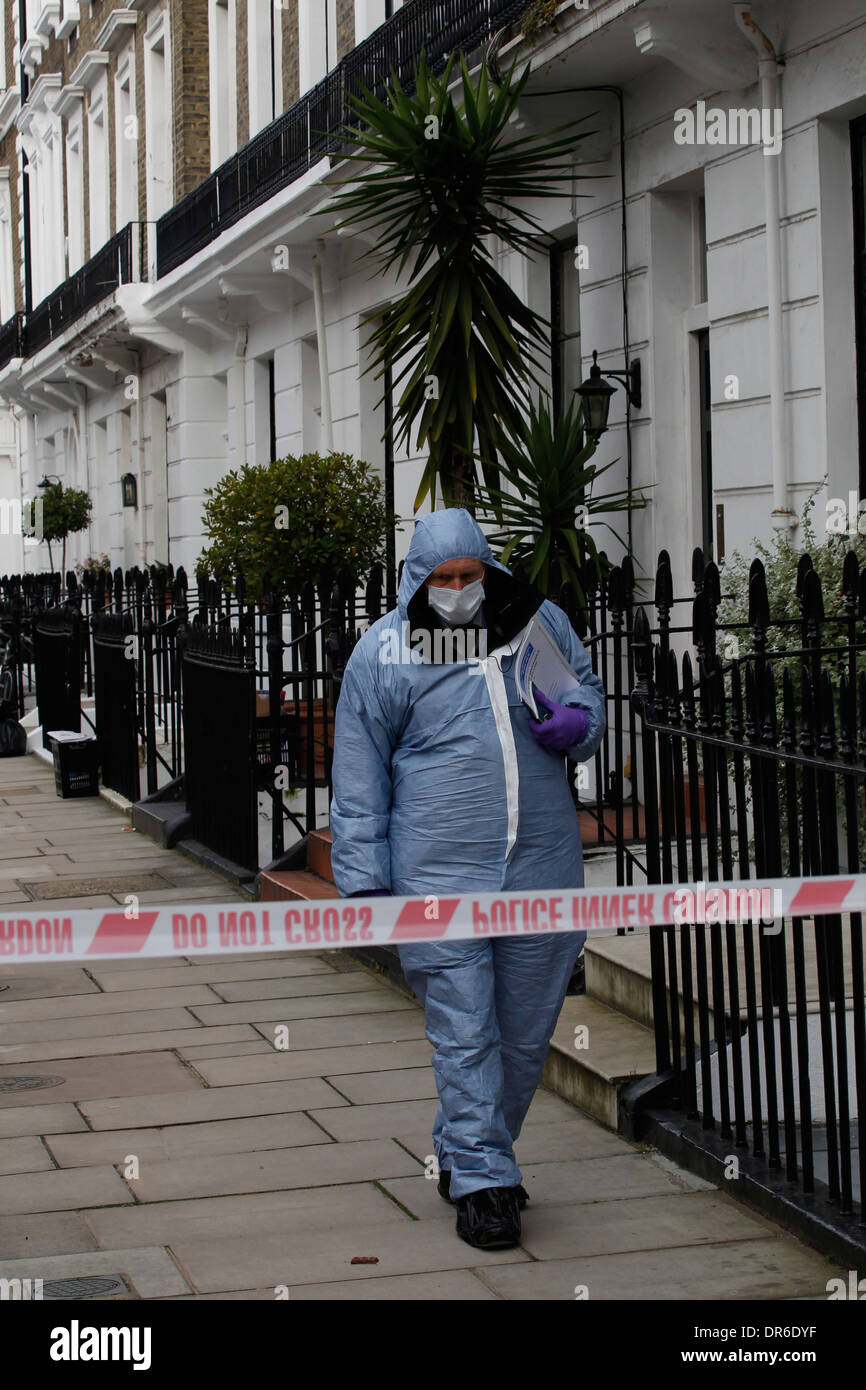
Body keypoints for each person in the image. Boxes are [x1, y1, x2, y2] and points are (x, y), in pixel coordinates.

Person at [329, 508, 606, 1249]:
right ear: (417, 578)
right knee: (463, 1031)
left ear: (488, 570)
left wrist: (577, 723)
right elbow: (359, 774)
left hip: (541, 869)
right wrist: (363, 881)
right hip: (435, 879)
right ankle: (487, 1183)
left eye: (468, 576)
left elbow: (584, 694)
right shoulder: (385, 652)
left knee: (522, 1033)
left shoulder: (531, 624)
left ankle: (463, 1147)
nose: (457, 590)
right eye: (443, 579)